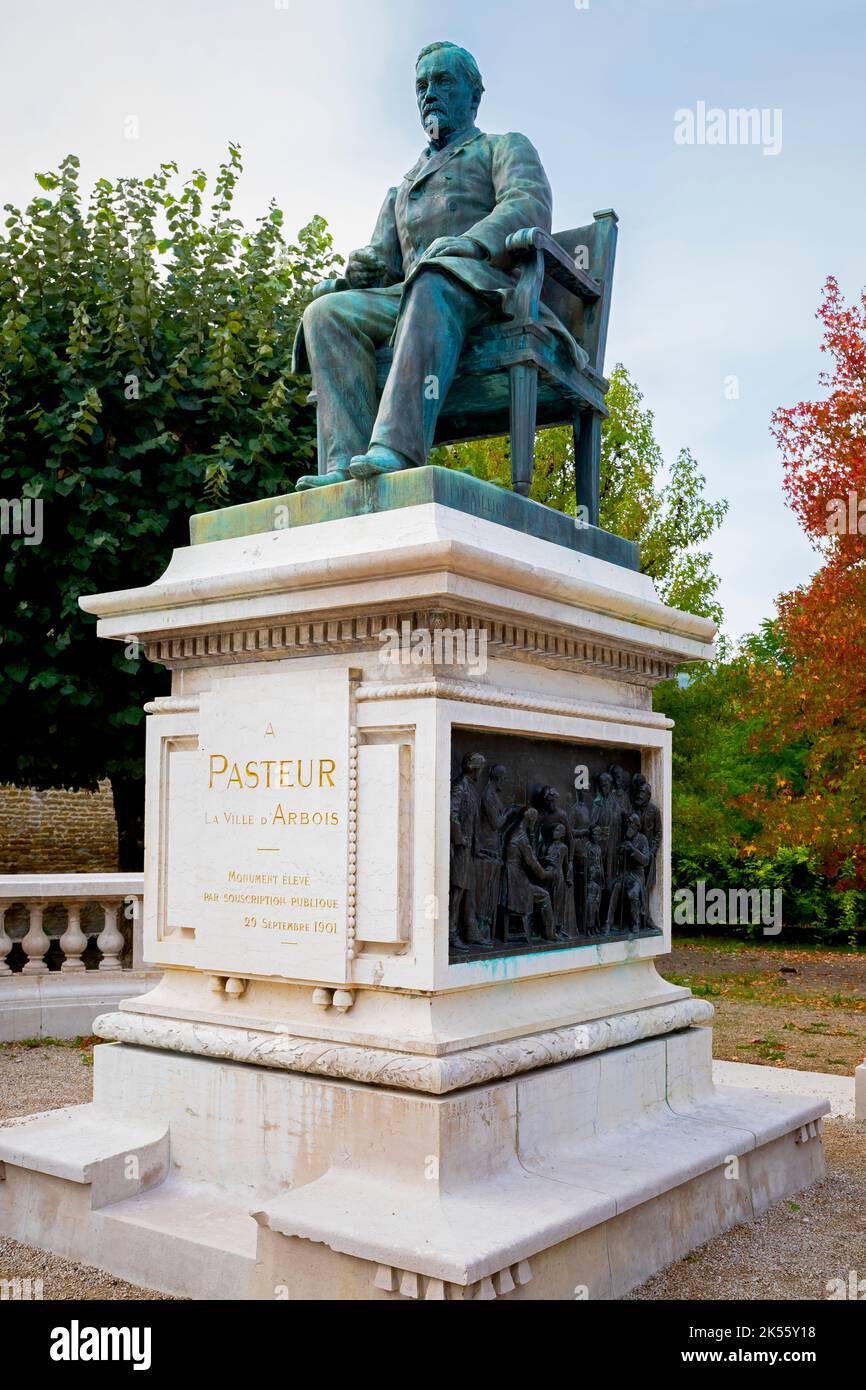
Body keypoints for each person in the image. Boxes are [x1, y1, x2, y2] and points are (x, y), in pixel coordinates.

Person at [293, 41, 579, 489]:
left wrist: (467, 245)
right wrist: (363, 271)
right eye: (422, 85)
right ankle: (343, 466)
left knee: (431, 277)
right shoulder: (401, 189)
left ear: (474, 95)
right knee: (325, 313)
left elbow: (527, 205)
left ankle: (396, 452)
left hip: (485, 291)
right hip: (413, 298)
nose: (431, 93)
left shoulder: (502, 147)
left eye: (444, 82)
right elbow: (386, 266)